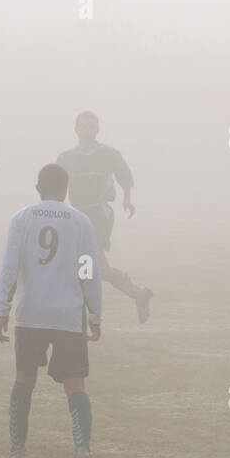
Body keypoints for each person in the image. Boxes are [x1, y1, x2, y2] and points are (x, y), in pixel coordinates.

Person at [0, 164, 103, 458]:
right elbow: (89, 272)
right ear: (66, 189)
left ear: (38, 188)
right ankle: (82, 448)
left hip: (31, 313)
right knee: (75, 384)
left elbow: (9, 266)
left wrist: (2, 309)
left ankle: (17, 449)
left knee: (24, 380)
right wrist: (95, 313)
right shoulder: (81, 222)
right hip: (68, 315)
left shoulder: (22, 218)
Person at [57, 111, 152, 322]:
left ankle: (80, 314)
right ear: (76, 129)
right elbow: (57, 184)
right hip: (76, 214)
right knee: (96, 268)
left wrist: (127, 200)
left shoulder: (109, 154)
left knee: (90, 265)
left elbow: (125, 177)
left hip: (99, 213)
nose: (88, 130)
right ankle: (138, 293)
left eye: (92, 127)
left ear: (98, 129)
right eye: (84, 126)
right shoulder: (66, 158)